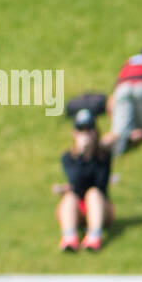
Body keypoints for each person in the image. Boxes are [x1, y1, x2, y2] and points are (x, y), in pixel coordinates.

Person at [54, 108, 114, 252]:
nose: (85, 134)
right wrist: (82, 155)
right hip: (78, 208)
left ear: (95, 132)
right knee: (69, 197)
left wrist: (90, 156)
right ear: (75, 133)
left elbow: (100, 184)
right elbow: (76, 183)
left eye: (89, 130)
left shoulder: (104, 156)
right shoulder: (68, 158)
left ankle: (94, 236)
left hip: (99, 206)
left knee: (93, 193)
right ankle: (69, 238)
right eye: (81, 130)